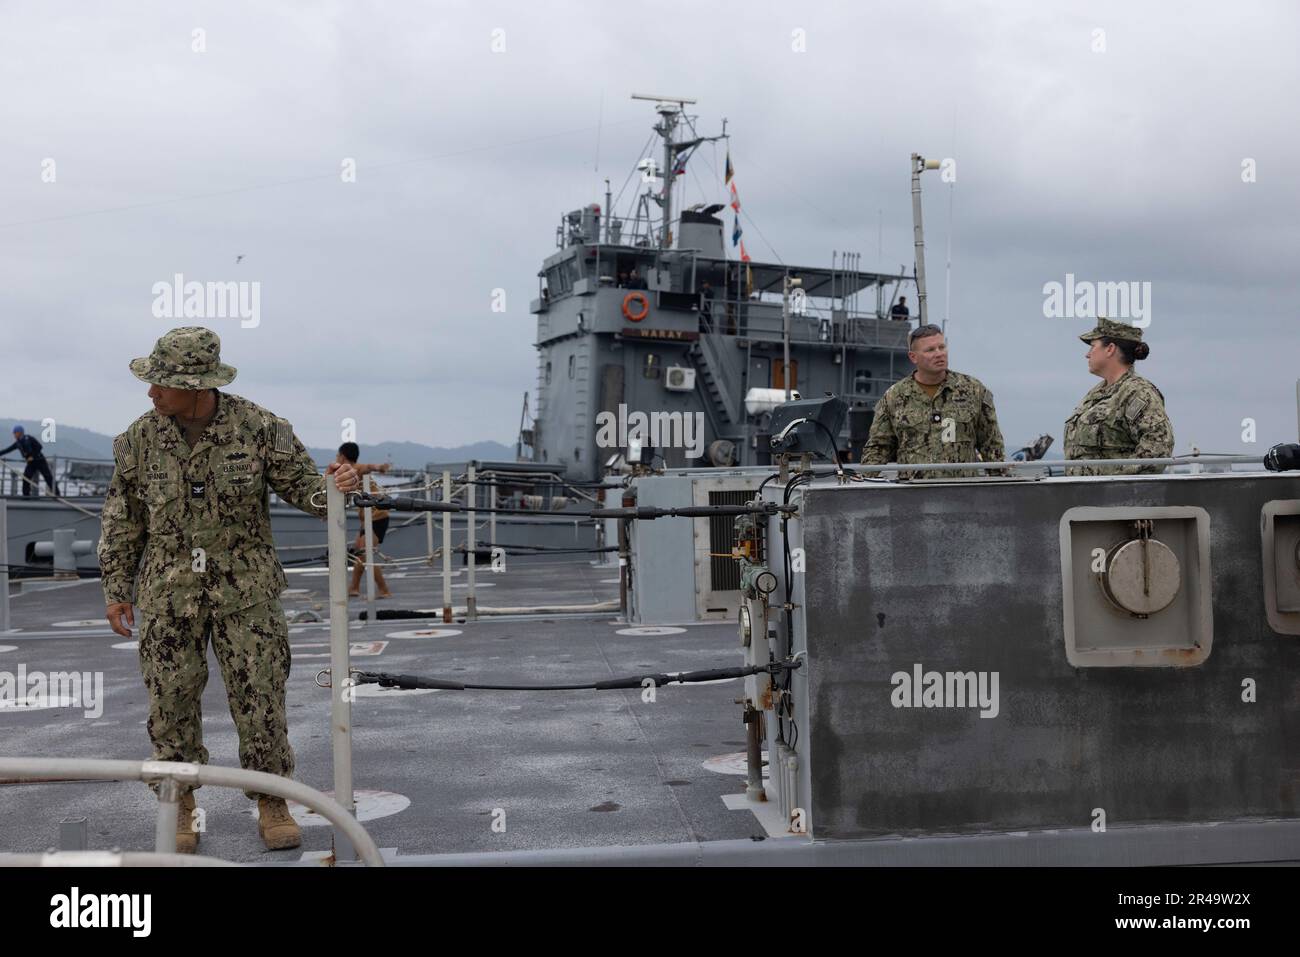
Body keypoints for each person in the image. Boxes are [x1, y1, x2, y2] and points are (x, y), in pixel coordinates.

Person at [97, 326, 360, 853]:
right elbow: (123, 520)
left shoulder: (262, 428)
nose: (151, 394)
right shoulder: (137, 440)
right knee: (171, 702)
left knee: (260, 698)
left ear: (196, 386)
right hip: (169, 595)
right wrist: (116, 586)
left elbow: (307, 491)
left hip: (247, 592)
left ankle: (271, 800)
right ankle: (181, 805)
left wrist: (337, 484)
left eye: (161, 385)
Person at [860, 324, 1006, 479]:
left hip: (963, 494)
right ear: (913, 357)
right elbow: (878, 448)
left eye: (941, 347)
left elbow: (992, 445)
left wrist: (1002, 488)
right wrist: (862, 485)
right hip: (913, 495)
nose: (939, 354)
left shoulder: (973, 391)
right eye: (930, 350)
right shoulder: (894, 397)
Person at [1064, 318, 1173, 475]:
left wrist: (1115, 483)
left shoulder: (1137, 392)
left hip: (1111, 496)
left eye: (1093, 347)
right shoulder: (1097, 393)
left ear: (1110, 349)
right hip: (1082, 494)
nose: (1087, 355)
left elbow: (1158, 448)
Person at [337, 442, 392, 598]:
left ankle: (384, 590)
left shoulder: (355, 469)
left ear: (342, 456)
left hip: (377, 517)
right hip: (368, 519)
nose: (336, 458)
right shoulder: (350, 474)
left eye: (337, 455)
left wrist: (380, 467)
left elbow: (368, 467)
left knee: (365, 554)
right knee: (359, 552)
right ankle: (354, 587)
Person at [0, 425, 58, 496]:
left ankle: (57, 494)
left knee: (48, 477)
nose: (14, 434)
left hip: (39, 460)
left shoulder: (29, 438)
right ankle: (26, 496)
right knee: (26, 478)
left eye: (15, 433)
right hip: (31, 463)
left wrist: (32, 456)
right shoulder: (18, 443)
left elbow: (39, 447)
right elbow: (7, 450)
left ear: (19, 433)